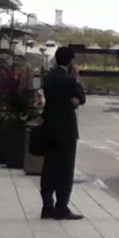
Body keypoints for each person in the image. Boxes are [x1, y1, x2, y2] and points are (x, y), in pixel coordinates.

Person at [39, 47, 86, 220]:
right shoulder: (69, 80)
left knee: (49, 168)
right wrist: (76, 80)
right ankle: (62, 207)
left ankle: (47, 205)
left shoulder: (48, 78)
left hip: (49, 127)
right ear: (70, 61)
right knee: (65, 170)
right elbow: (81, 98)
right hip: (66, 130)